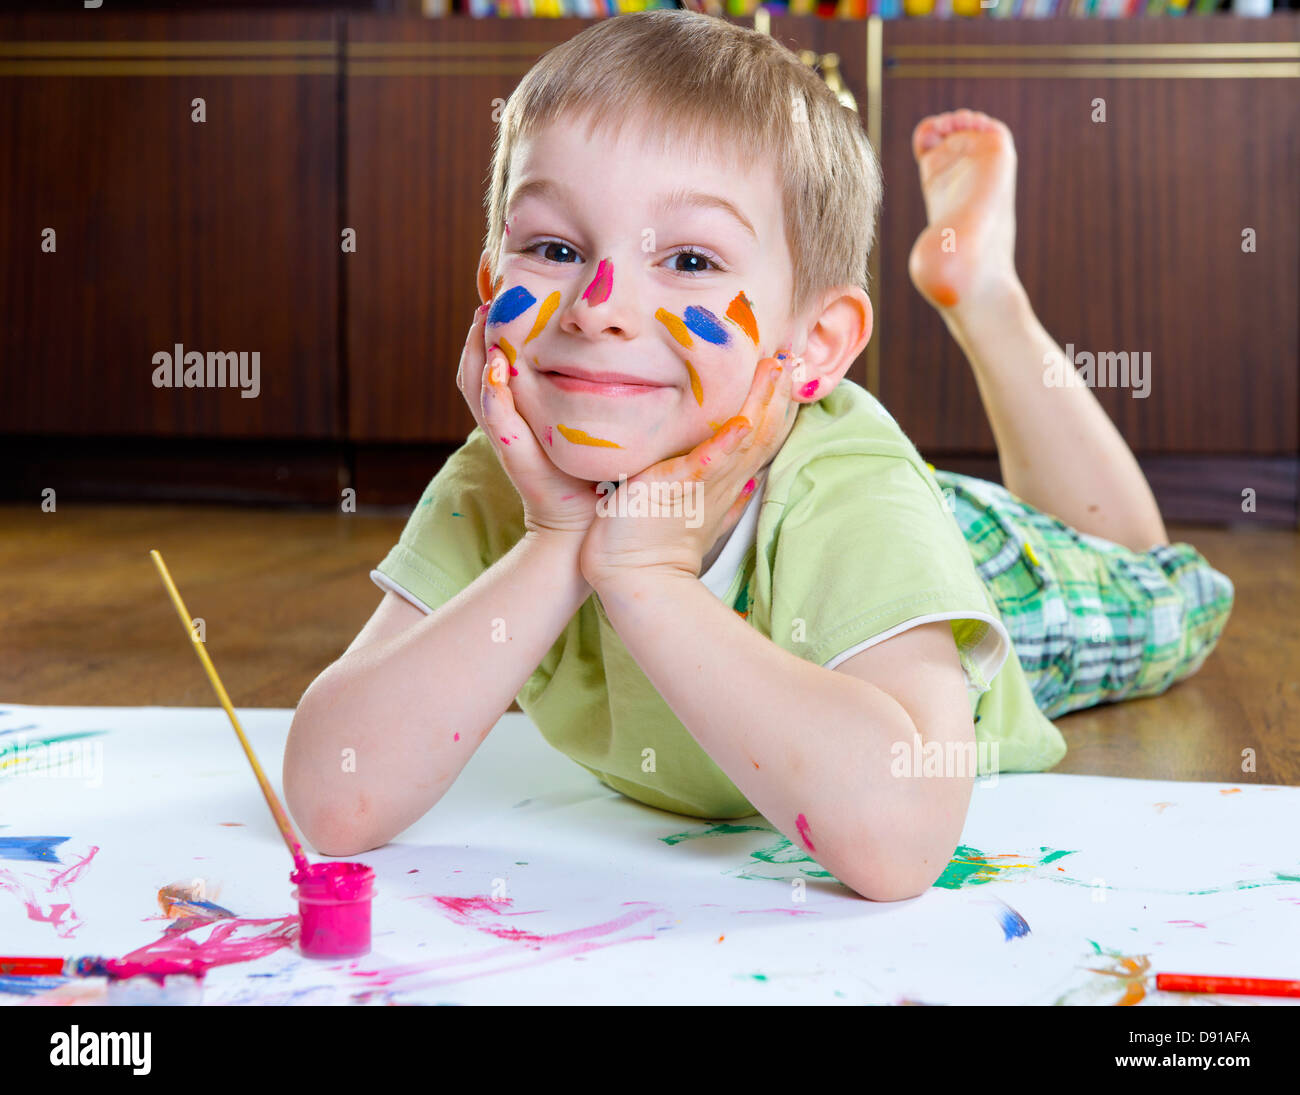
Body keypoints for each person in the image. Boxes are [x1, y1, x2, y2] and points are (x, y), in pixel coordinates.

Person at [284, 11, 1233, 901]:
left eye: (691, 260)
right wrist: (557, 538)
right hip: (819, 528)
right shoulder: (504, 482)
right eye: (553, 246)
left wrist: (647, 576)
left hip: (966, 565)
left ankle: (983, 291)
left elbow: (902, 837)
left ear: (815, 343)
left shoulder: (851, 490)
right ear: (491, 284)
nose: (599, 303)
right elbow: (335, 793)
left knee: (1157, 585)